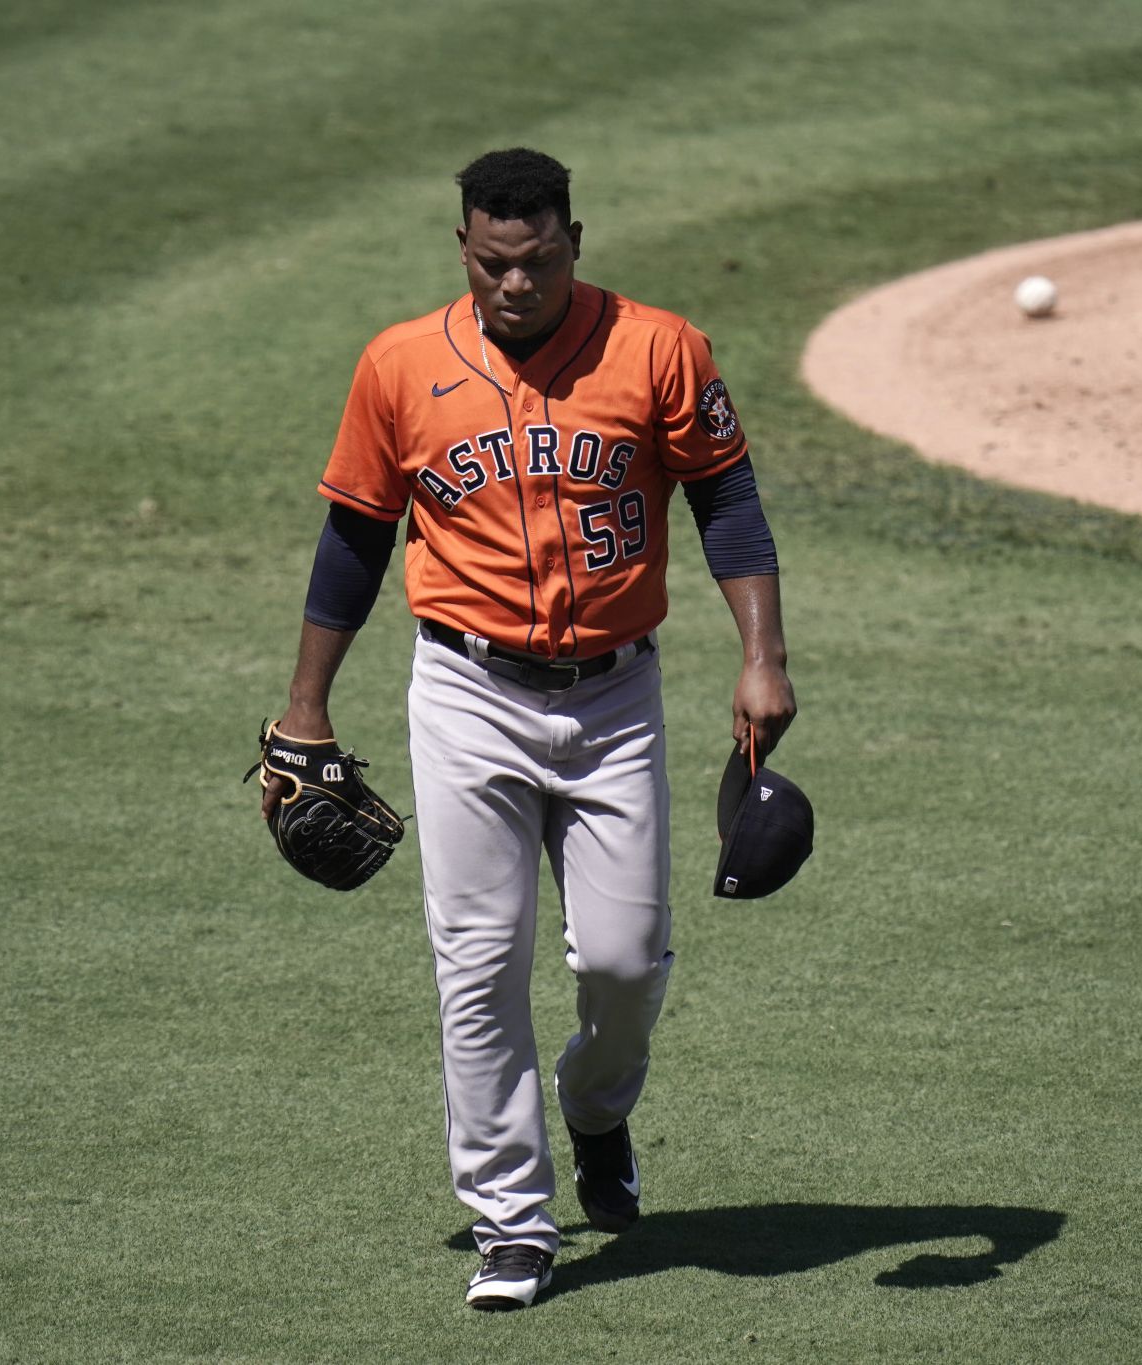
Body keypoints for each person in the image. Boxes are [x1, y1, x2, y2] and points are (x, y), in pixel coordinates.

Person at [259, 147, 796, 1310]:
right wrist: (305, 704)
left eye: (538, 259)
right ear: (464, 249)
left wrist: (762, 658)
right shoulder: (399, 365)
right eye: (494, 262)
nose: (516, 283)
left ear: (574, 241)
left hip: (614, 698)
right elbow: (355, 535)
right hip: (465, 694)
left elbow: (725, 497)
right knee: (477, 963)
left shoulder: (658, 347)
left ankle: (596, 1112)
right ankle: (510, 1220)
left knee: (621, 959)